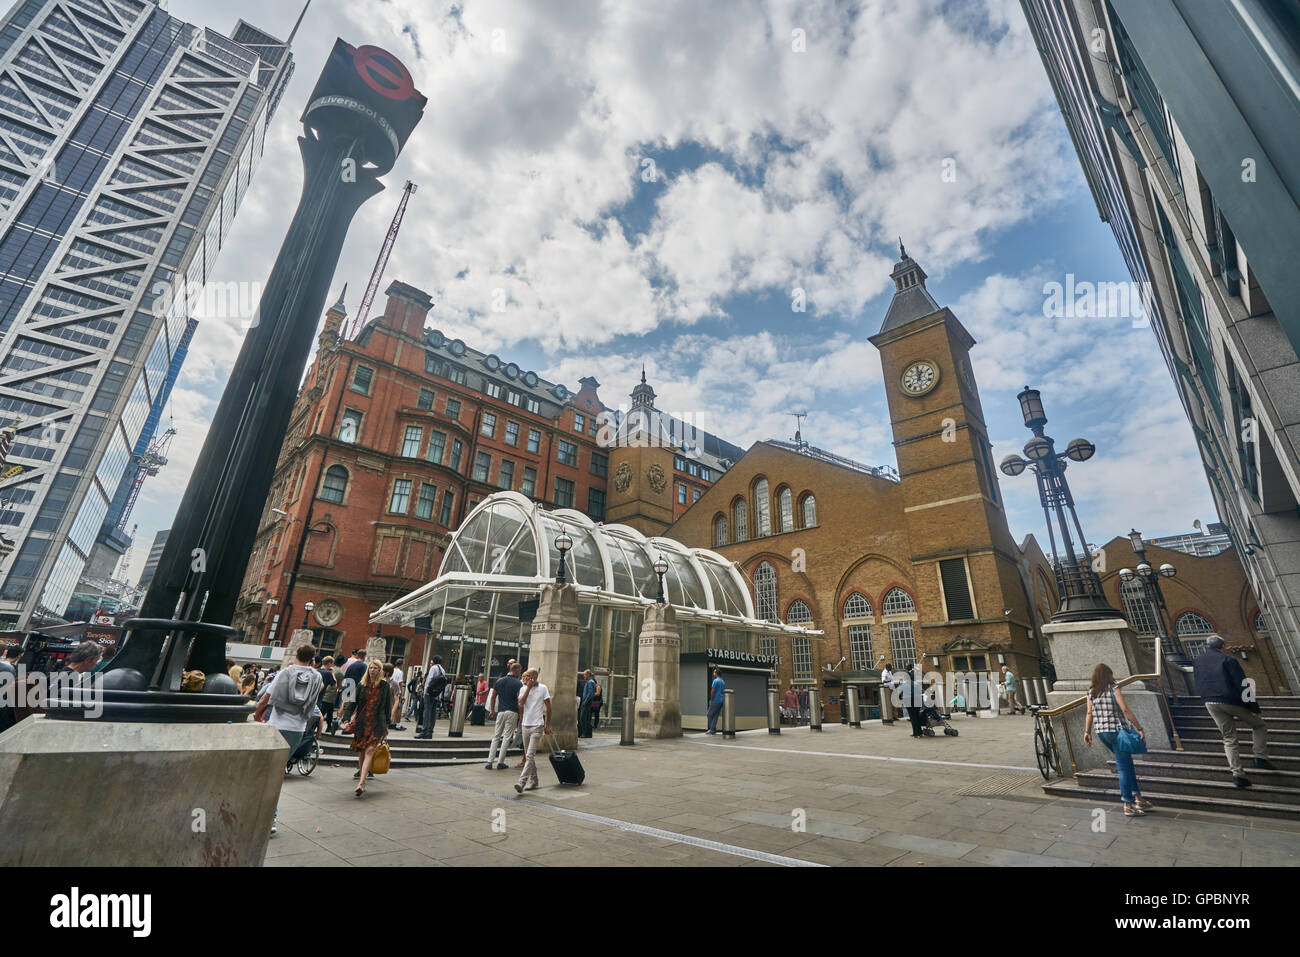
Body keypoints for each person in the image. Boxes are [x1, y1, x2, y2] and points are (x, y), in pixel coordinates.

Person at [1192, 635, 1275, 787]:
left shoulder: (1197, 660)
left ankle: (1238, 775)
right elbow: (1242, 684)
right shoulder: (1228, 660)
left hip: (1210, 702)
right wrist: (1253, 708)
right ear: (1222, 647)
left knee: (1229, 738)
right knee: (1259, 725)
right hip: (1229, 700)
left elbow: (1198, 681)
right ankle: (1260, 756)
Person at [1083, 663, 1152, 816]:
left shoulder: (1091, 692)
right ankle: (1127, 804)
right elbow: (1125, 709)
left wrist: (1087, 732)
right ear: (1109, 675)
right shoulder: (1113, 688)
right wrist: (1139, 728)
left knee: (1127, 764)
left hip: (1101, 732)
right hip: (1117, 731)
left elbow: (1089, 713)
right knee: (1123, 767)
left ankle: (1138, 798)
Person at [345, 659, 392, 796]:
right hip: (362, 723)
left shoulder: (384, 686)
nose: (372, 670)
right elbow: (352, 703)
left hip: (377, 724)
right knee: (361, 752)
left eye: (376, 668)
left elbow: (387, 707)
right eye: (371, 668)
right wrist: (346, 719)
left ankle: (360, 783)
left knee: (370, 750)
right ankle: (363, 779)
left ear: (380, 671)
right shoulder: (362, 685)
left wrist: (387, 725)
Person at [514, 668, 553, 793]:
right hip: (525, 724)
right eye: (524, 676)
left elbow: (549, 707)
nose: (525, 678)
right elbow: (520, 703)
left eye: (528, 676)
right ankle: (534, 780)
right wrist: (528, 688)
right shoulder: (522, 688)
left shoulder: (543, 688)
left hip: (537, 725)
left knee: (530, 755)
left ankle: (521, 782)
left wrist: (547, 725)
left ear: (534, 677)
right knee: (529, 755)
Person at [485, 662, 523, 769]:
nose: (520, 673)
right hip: (512, 712)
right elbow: (520, 700)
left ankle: (489, 762)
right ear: (516, 670)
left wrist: (492, 710)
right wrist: (521, 714)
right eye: (520, 671)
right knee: (506, 737)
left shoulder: (499, 681)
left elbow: (493, 697)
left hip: (501, 712)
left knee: (496, 736)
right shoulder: (518, 684)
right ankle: (500, 762)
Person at [418, 656, 447, 739]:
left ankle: (424, 731)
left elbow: (429, 680)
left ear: (434, 661)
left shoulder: (433, 668)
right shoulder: (442, 670)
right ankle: (430, 732)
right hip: (437, 694)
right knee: (433, 713)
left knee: (427, 711)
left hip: (430, 693)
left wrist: (425, 692)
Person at [896, 668, 925, 738]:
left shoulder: (903, 684)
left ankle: (916, 733)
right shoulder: (915, 683)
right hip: (917, 700)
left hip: (908, 701)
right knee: (917, 716)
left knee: (913, 717)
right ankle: (920, 732)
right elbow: (922, 691)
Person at [578, 669, 596, 738]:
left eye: (585, 675)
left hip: (587, 702)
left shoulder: (590, 682)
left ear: (588, 675)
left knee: (583, 718)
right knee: (586, 718)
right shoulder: (589, 682)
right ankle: (587, 734)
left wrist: (585, 701)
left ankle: (585, 733)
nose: (584, 676)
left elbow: (590, 693)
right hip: (587, 702)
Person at [706, 668, 725, 734]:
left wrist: (711, 699)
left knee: (709, 714)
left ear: (716, 673)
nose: (713, 673)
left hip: (715, 700)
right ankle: (713, 729)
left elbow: (713, 691)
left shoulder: (715, 681)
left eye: (714, 672)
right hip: (721, 700)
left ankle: (712, 729)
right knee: (716, 715)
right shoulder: (722, 681)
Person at [390, 657, 406, 730]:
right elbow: (400, 683)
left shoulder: (392, 670)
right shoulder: (400, 672)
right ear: (401, 664)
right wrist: (402, 694)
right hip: (396, 691)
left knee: (390, 706)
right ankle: (398, 725)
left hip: (390, 690)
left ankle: (390, 722)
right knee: (398, 708)